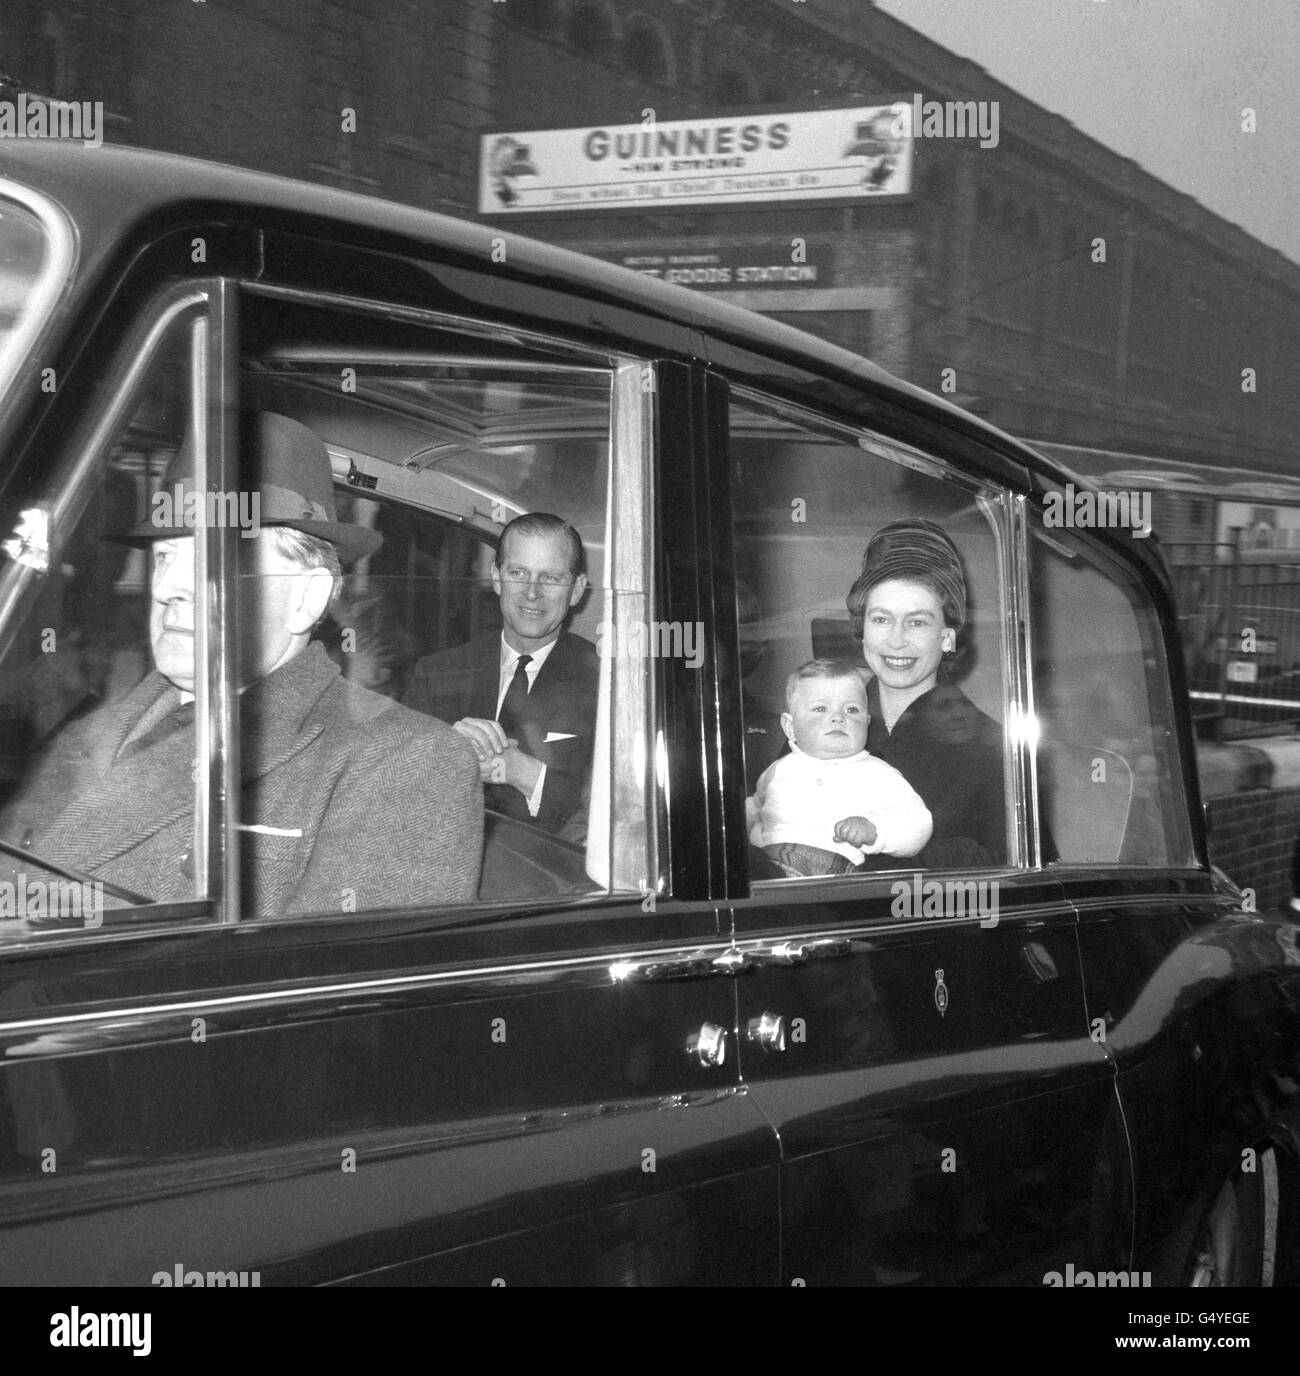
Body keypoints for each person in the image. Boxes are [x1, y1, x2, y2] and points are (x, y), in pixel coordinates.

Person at [0, 412, 483, 919]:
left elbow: (325, 986)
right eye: (165, 556)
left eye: (215, 558)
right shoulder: (87, 734)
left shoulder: (409, 764)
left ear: (306, 598)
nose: (167, 588)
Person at [403, 512, 598, 834]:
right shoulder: (439, 672)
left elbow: (613, 814)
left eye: (550, 578)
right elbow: (389, 781)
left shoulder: (607, 683)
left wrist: (525, 772)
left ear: (576, 590)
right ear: (496, 578)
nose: (531, 592)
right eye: (518, 572)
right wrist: (443, 751)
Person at [846, 518, 1006, 866]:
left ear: (947, 637)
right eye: (881, 619)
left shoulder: (993, 750)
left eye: (917, 622)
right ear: (863, 631)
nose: (897, 639)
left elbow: (1012, 885)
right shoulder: (823, 716)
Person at [747, 659, 932, 878]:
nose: (838, 717)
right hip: (767, 866)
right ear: (790, 727)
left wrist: (874, 829)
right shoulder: (777, 770)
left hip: (829, 873)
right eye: (820, 708)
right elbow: (754, 808)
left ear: (867, 722)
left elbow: (917, 821)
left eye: (852, 710)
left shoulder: (877, 773)